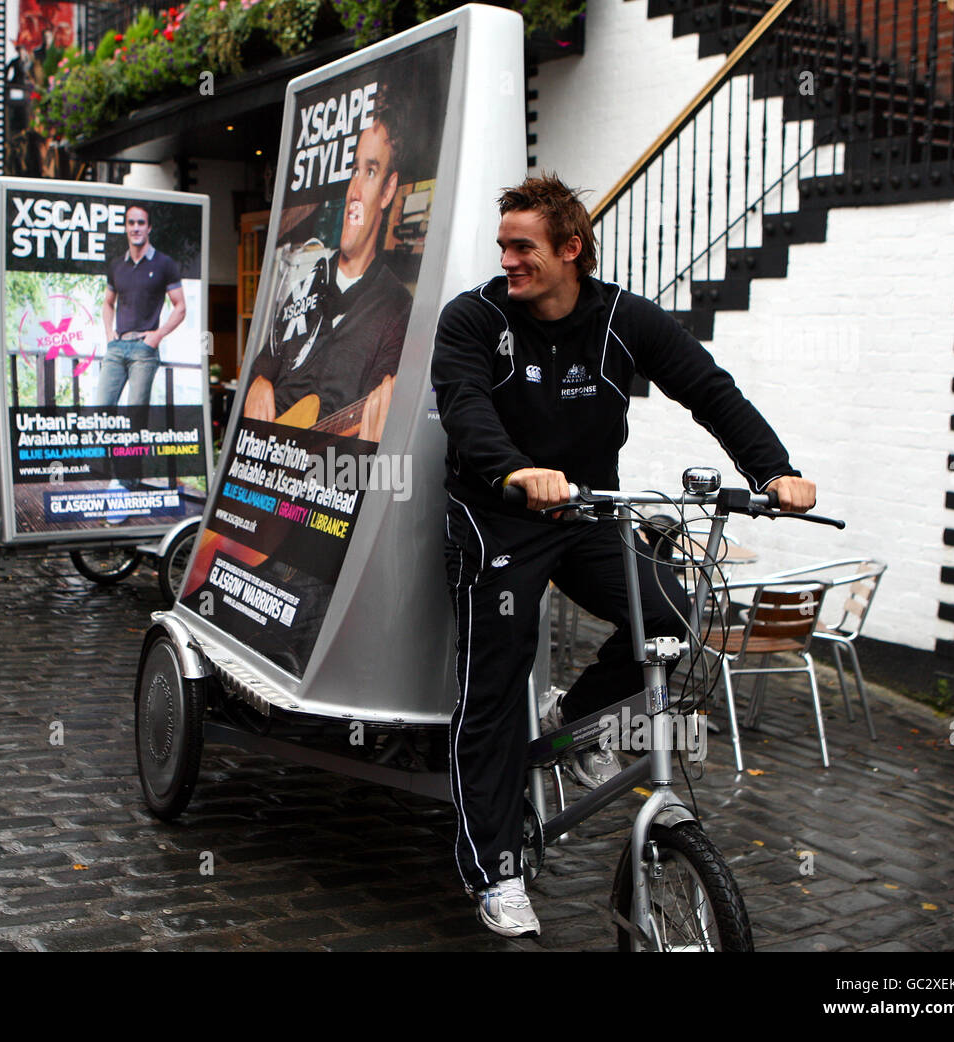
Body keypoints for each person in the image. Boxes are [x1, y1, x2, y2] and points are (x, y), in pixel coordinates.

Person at [430, 174, 817, 938]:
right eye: (503, 245)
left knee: (673, 613)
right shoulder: (474, 319)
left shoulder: (623, 319)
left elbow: (709, 389)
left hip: (587, 514)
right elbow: (464, 403)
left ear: (570, 249)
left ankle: (574, 722)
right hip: (497, 519)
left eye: (523, 246)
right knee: (495, 692)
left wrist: (771, 470)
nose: (507, 259)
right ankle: (496, 869)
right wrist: (513, 470)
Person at [244, 85, 412, 443]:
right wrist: (258, 382)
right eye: (352, 170)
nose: (353, 190)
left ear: (387, 190)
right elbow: (266, 363)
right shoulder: (307, 283)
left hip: (328, 476)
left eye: (369, 172)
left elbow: (373, 424)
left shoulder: (397, 309)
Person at [98, 203, 186, 421]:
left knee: (135, 419)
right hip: (116, 348)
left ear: (149, 228)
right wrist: (109, 334)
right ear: (126, 227)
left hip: (144, 352)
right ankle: (107, 457)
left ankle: (131, 457)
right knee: (100, 411)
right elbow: (108, 303)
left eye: (141, 223)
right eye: (131, 223)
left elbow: (181, 307)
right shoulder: (117, 265)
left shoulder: (164, 263)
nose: (136, 228)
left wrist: (157, 335)